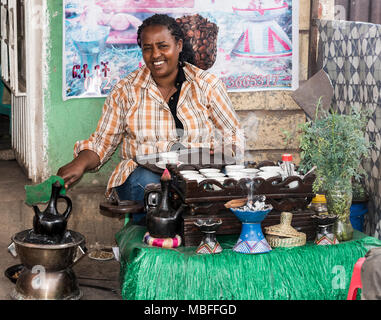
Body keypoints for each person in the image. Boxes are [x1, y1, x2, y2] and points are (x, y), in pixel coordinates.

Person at [57, 14, 244, 223]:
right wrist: (79, 164)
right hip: (145, 176)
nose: (155, 55)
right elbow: (103, 142)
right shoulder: (126, 91)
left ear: (179, 45)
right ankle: (161, 236)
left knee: (228, 182)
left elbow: (233, 134)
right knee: (151, 189)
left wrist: (225, 149)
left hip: (196, 174)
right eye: (147, 48)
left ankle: (200, 233)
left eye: (163, 46)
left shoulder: (207, 85)